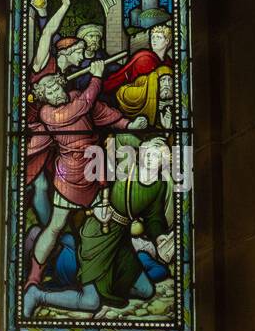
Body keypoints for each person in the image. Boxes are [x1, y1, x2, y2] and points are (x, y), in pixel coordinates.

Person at [24, 133, 174, 318]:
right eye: (150, 154)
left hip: (121, 240)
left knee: (146, 290)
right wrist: (95, 206)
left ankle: (106, 287)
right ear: (142, 152)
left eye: (158, 157)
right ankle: (38, 295)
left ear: (163, 162)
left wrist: (160, 238)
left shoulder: (158, 185)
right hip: (98, 234)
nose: (152, 160)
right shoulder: (126, 166)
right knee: (91, 302)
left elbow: (154, 218)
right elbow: (96, 179)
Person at [24, 63, 146, 289]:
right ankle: (34, 276)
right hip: (69, 177)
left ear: (61, 83)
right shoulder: (49, 114)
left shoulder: (76, 97)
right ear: (43, 97)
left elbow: (99, 112)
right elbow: (82, 106)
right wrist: (96, 78)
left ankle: (112, 276)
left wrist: (127, 123)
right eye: (48, 91)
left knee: (111, 220)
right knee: (55, 227)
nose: (54, 91)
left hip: (96, 170)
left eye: (54, 85)